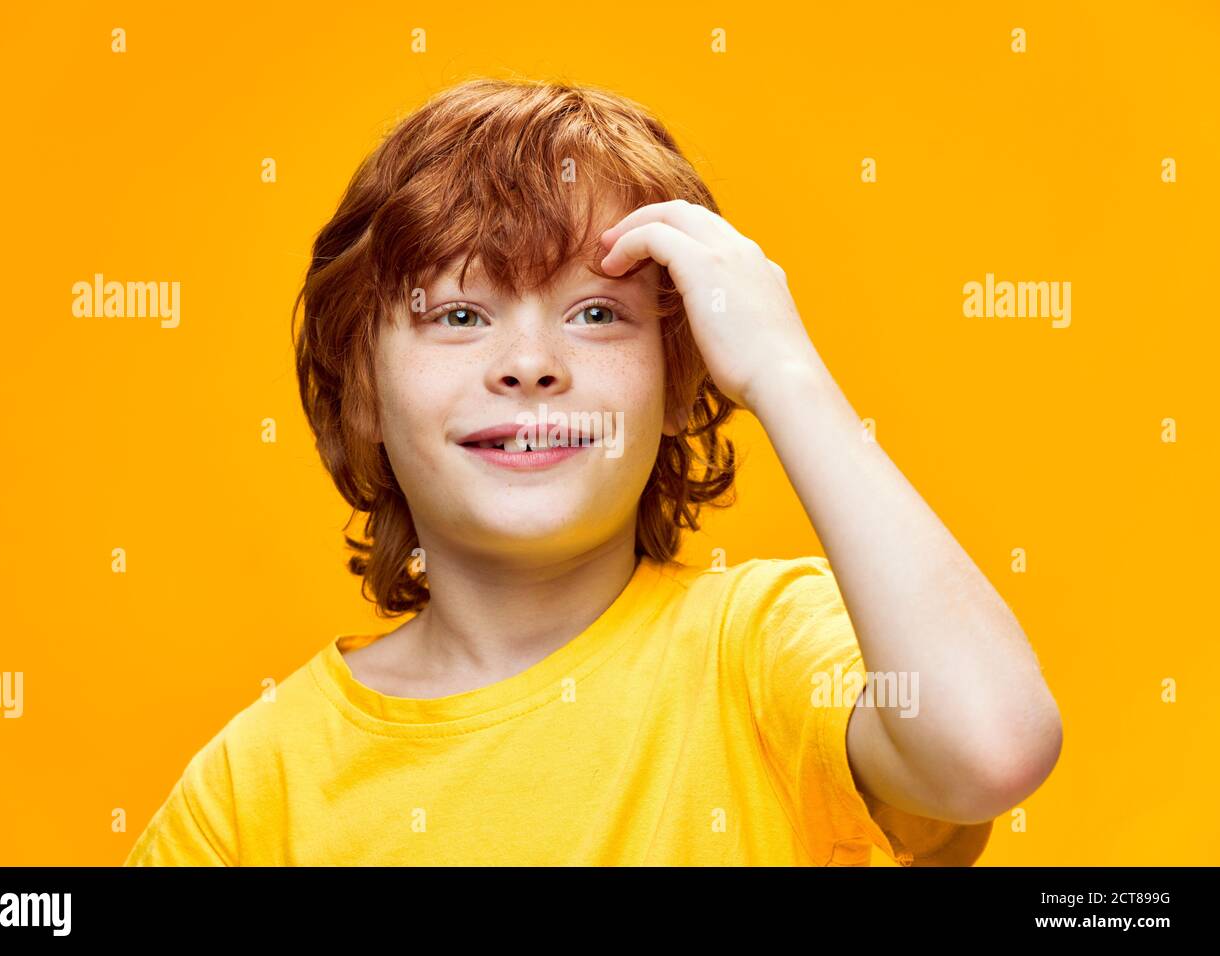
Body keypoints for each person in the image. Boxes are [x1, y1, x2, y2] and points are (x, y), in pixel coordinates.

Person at [124, 77, 1061, 866]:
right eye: (459, 316)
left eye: (596, 314)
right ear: (362, 391)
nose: (531, 364)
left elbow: (991, 747)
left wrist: (784, 369)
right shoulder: (252, 793)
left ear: (679, 377)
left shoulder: (766, 655)